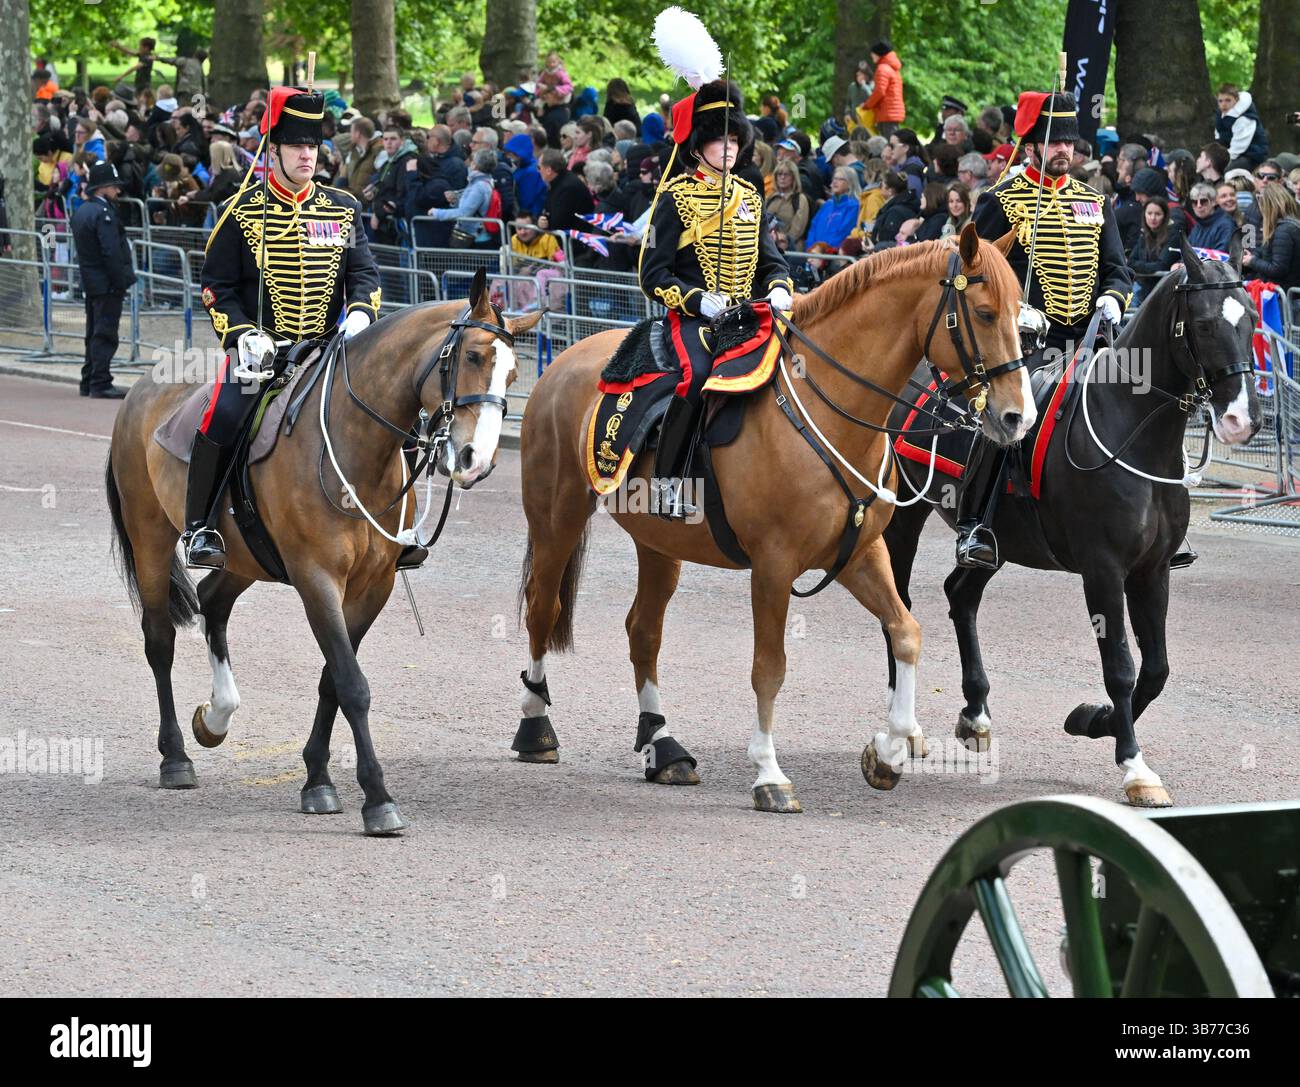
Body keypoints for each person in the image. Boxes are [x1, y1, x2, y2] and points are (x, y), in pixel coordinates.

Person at [184, 87, 383, 570]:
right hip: (261, 354)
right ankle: (200, 527)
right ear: (272, 151)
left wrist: (360, 312)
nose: (307, 155)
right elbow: (216, 287)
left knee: (398, 411)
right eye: (296, 147)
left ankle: (394, 526)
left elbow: (364, 273)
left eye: (313, 147)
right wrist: (241, 334)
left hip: (329, 348)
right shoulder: (241, 211)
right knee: (224, 414)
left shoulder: (343, 209)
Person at [961, 90, 1134, 569]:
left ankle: (1158, 517)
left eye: (1069, 143)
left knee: (1144, 400)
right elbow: (975, 269)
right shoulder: (1002, 200)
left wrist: (1113, 298)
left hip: (1090, 341)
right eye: (1053, 141)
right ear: (1033, 146)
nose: (1064, 150)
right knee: (1001, 421)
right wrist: (1018, 310)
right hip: (1028, 342)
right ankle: (977, 523)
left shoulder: (1094, 203)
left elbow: (1120, 269)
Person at [638, 72, 793, 518]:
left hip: (749, 313)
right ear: (698, 145)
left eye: (733, 140)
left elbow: (771, 261)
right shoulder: (675, 196)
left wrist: (780, 288)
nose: (728, 149)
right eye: (718, 141)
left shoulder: (748, 194)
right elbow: (652, 274)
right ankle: (667, 482)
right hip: (693, 319)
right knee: (696, 378)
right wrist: (695, 299)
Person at [70, 162, 137, 399]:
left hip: (92, 282)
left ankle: (89, 379)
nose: (117, 191)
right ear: (103, 187)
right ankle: (100, 381)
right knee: (105, 333)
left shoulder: (83, 211)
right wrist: (121, 281)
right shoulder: (103, 213)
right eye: (113, 186)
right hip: (106, 283)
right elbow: (111, 252)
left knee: (93, 332)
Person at [1243, 183, 1300, 296]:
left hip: (1285, 298)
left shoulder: (1284, 230)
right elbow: (1268, 251)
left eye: (1261, 201)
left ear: (1269, 205)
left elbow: (1278, 269)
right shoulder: (1286, 226)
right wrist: (1253, 255)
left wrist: (1252, 261)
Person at [1127, 197, 1182, 304]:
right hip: (1143, 289)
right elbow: (1131, 262)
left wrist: (1140, 266)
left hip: (1163, 292)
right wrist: (1146, 266)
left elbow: (1162, 265)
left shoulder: (1173, 235)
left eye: (1157, 214)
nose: (1153, 218)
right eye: (1149, 213)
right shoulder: (1144, 235)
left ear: (1165, 216)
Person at [1215, 84, 1269, 173]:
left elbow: (1238, 149)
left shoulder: (1244, 119)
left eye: (1228, 100)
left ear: (1236, 100)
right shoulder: (1220, 116)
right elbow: (1219, 138)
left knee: (1227, 171)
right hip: (1233, 153)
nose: (1223, 104)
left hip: (1252, 156)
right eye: (1220, 101)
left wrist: (1220, 161)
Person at [862, 40, 904, 138]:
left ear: (878, 54)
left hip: (886, 113)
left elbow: (879, 92)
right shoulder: (892, 68)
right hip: (892, 112)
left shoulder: (882, 69)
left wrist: (867, 105)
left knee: (889, 143)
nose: (871, 55)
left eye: (873, 53)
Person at [1186, 181, 1235, 252]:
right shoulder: (1198, 225)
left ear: (1213, 202)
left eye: (1203, 201)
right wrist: (1181, 263)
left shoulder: (1226, 224)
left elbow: (1221, 255)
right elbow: (1188, 252)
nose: (1199, 206)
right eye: (1195, 202)